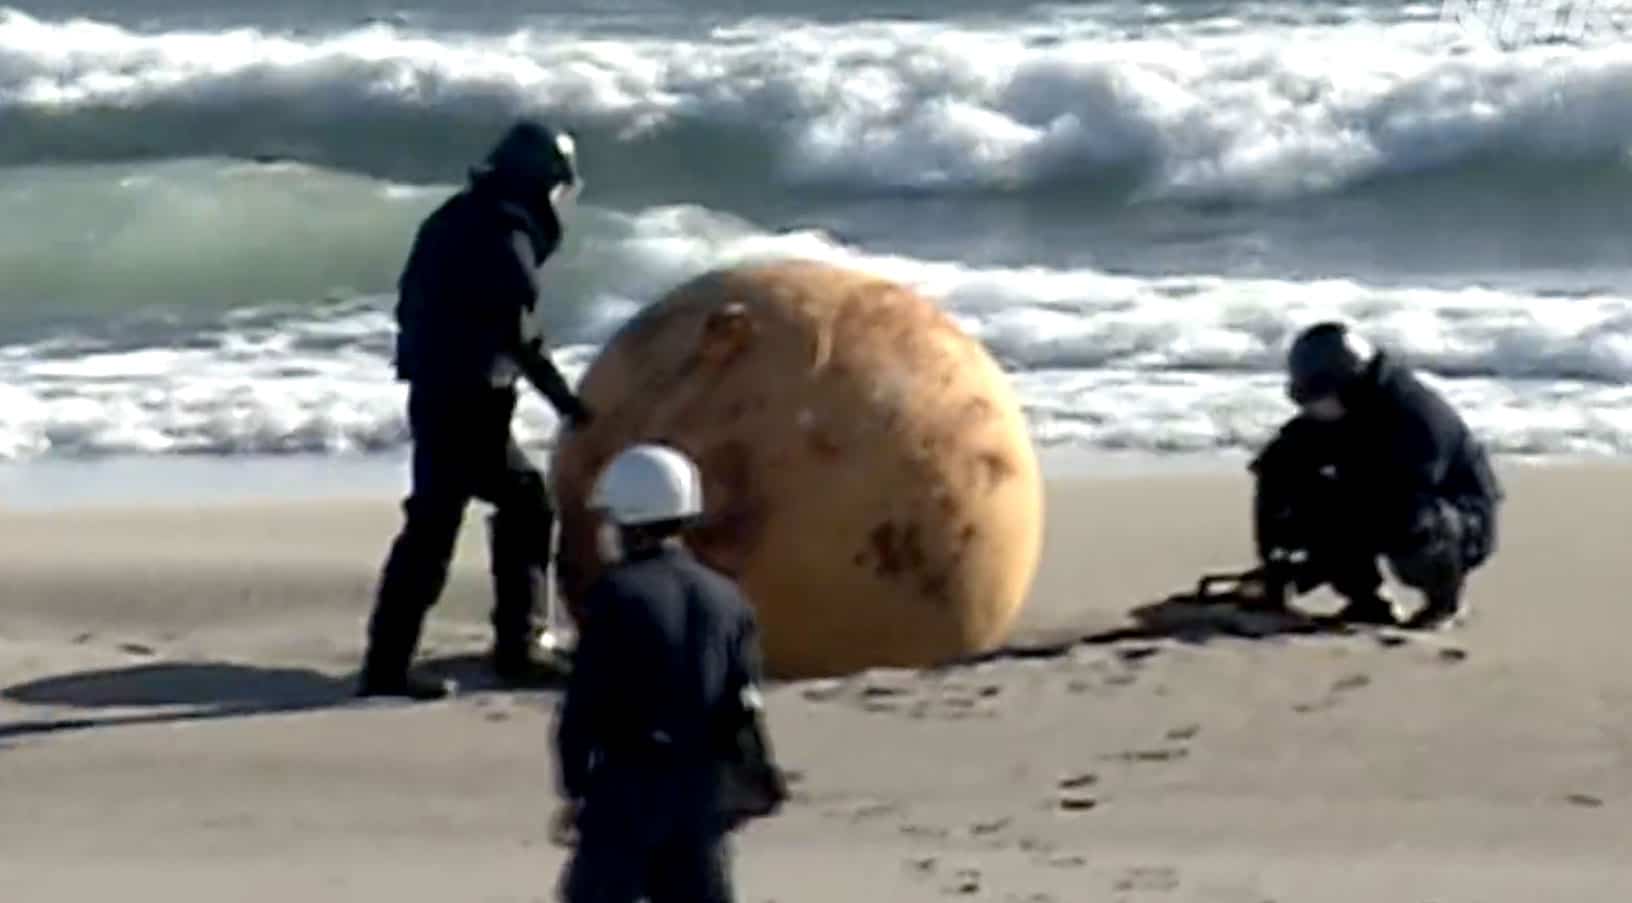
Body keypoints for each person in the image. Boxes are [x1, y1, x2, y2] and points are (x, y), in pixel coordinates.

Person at [358, 119, 594, 700]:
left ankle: (391, 660)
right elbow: (521, 336)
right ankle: (515, 647)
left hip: (436, 392)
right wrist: (570, 405)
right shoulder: (505, 236)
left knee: (443, 519)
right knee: (514, 508)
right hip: (469, 401)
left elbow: (414, 305)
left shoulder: (456, 217)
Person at [553, 443, 779, 903]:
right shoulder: (727, 598)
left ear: (626, 520)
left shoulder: (616, 594)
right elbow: (743, 703)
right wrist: (751, 779)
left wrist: (576, 785)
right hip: (701, 791)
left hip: (628, 788)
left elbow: (585, 703)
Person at [1246, 321, 1503, 629]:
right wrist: (1274, 558)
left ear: (1349, 383)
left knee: (1407, 520)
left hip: (1457, 516)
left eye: (1316, 396)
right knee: (1308, 493)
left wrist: (1310, 571)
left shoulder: (1416, 416)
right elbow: (1274, 471)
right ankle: (1369, 603)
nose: (1310, 407)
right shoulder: (1333, 413)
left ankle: (1444, 603)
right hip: (1377, 498)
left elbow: (1394, 498)